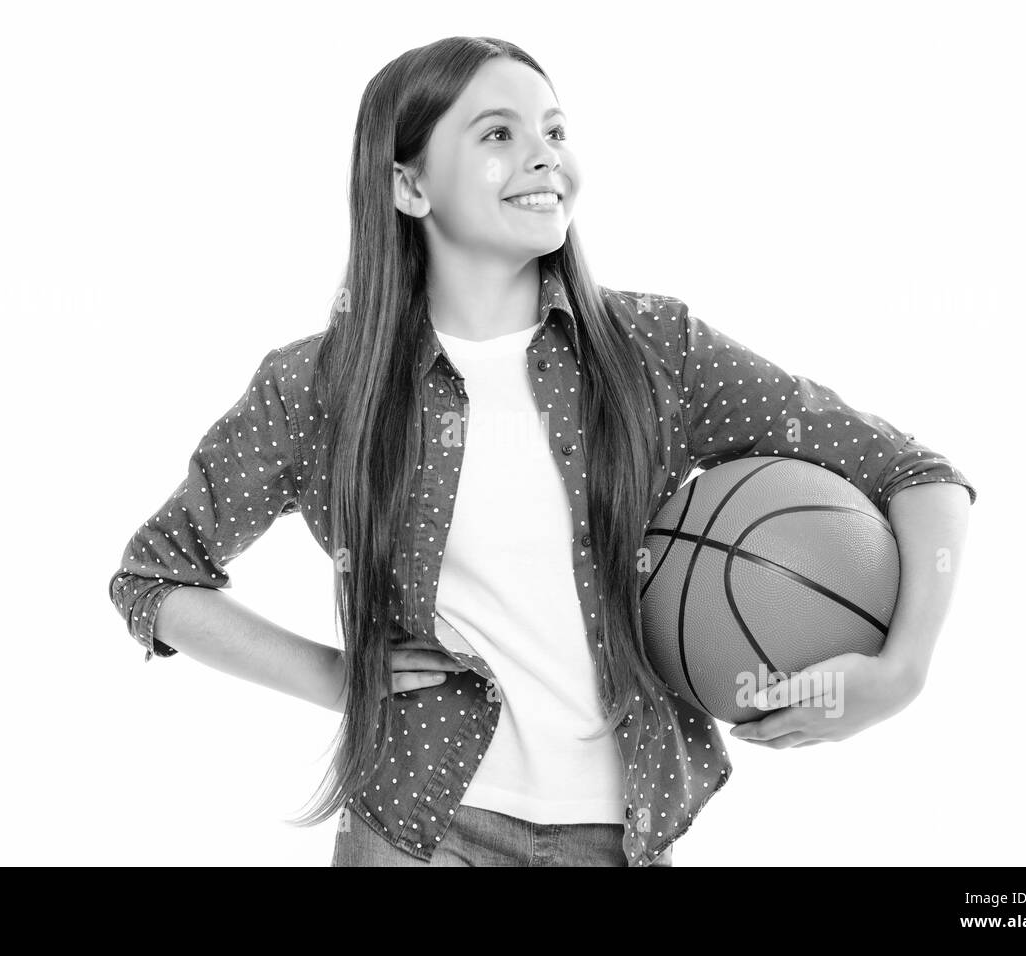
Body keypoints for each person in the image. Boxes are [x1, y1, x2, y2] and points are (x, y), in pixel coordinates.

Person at [107, 36, 977, 867]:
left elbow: (917, 474)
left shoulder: (654, 350)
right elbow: (154, 575)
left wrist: (900, 674)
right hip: (419, 825)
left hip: (619, 831)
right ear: (410, 186)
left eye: (555, 130)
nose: (543, 154)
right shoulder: (321, 386)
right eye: (498, 134)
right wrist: (342, 678)